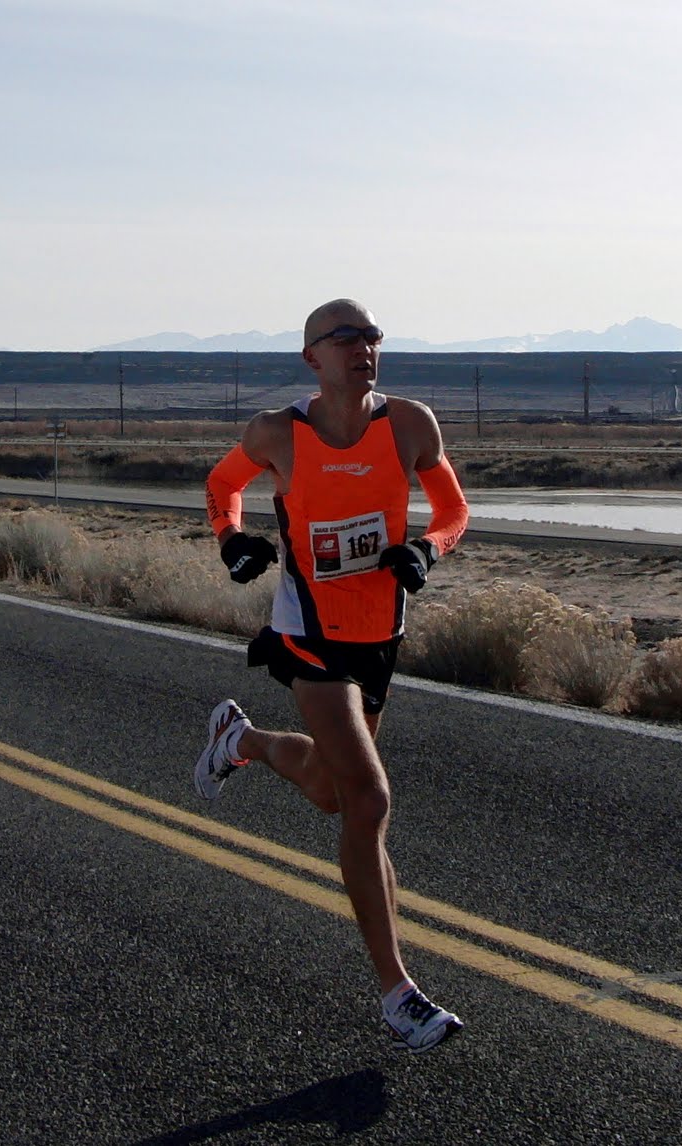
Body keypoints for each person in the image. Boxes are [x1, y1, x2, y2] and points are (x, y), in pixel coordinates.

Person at [196, 298, 470, 1053]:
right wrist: (232, 541)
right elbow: (222, 487)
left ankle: (241, 740)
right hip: (308, 633)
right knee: (370, 798)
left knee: (329, 789)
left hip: (380, 632)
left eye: (373, 337)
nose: (366, 347)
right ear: (312, 356)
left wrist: (427, 551)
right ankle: (397, 993)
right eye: (347, 338)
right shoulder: (278, 433)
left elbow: (452, 508)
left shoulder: (410, 425)